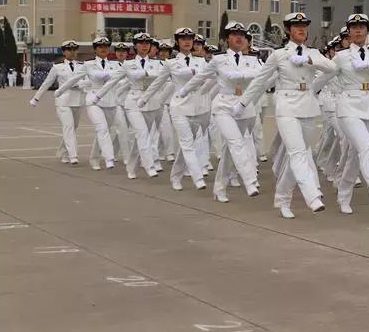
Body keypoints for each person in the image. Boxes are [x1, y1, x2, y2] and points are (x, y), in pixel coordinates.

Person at [238, 12, 335, 218]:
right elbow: (260, 81)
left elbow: (332, 68)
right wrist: (244, 102)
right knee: (297, 153)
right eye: (296, 26)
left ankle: (282, 198)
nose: (301, 29)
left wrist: (309, 60)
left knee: (296, 157)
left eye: (304, 25)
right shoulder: (279, 55)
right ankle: (312, 196)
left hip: (308, 105)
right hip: (287, 106)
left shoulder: (314, 53)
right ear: (288, 30)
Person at [312, 13, 369, 214]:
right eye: (354, 27)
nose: (358, 30)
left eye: (362, 27)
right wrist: (307, 93)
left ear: (368, 31)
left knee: (354, 155)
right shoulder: (341, 57)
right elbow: (325, 77)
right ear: (349, 32)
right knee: (367, 148)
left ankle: (343, 196)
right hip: (348, 108)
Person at [178, 22, 263, 202]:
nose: (239, 37)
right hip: (224, 106)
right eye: (234, 34)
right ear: (226, 39)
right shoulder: (218, 59)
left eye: (242, 34)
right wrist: (184, 91)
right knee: (236, 142)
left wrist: (247, 74)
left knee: (229, 151)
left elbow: (261, 77)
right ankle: (250, 180)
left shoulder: (253, 60)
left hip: (244, 106)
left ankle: (219, 188)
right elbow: (201, 77)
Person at [143, 27, 210, 191]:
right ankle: (198, 177)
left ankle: (175, 176)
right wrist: (144, 99)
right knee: (187, 143)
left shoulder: (202, 61)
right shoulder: (171, 63)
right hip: (179, 106)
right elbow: (157, 83)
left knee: (188, 144)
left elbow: (209, 78)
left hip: (197, 107)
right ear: (177, 42)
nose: (187, 41)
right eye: (183, 39)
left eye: (190, 39)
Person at [94, 32, 165, 179]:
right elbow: (112, 81)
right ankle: (150, 165)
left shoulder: (158, 63)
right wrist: (98, 96)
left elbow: (159, 77)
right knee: (142, 133)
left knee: (141, 138)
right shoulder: (128, 64)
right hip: (133, 103)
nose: (144, 46)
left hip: (151, 103)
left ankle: (131, 168)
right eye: (141, 43)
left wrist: (144, 73)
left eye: (147, 43)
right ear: (135, 46)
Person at [54, 36, 119, 170]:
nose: (104, 49)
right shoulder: (88, 65)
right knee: (101, 128)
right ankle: (109, 158)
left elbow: (123, 79)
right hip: (93, 100)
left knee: (105, 131)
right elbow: (74, 80)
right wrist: (60, 90)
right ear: (95, 49)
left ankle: (94, 158)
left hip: (111, 100)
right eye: (100, 47)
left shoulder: (115, 64)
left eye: (106, 47)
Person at [29, 41, 85, 164]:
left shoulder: (82, 66)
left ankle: (63, 153)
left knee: (72, 128)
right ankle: (73, 155)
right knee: (68, 126)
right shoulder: (57, 67)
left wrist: (79, 84)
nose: (72, 52)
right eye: (69, 50)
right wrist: (36, 98)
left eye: (74, 50)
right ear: (64, 52)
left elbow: (88, 82)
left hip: (78, 100)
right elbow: (46, 83)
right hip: (63, 101)